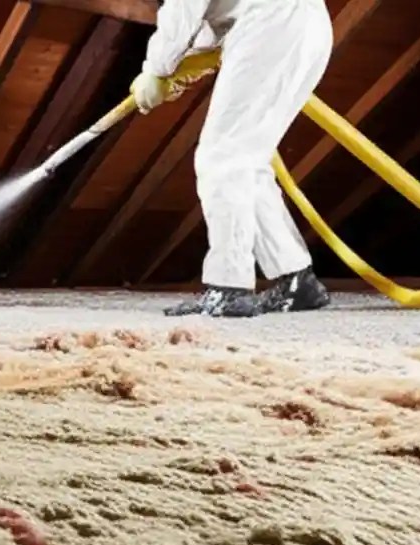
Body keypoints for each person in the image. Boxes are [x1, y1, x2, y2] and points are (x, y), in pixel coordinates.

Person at [132, 0, 334, 317]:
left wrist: (155, 70)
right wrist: (182, 66)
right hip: (305, 25)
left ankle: (228, 288)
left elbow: (183, 8)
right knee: (247, 160)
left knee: (221, 158)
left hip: (271, 24)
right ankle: (295, 279)